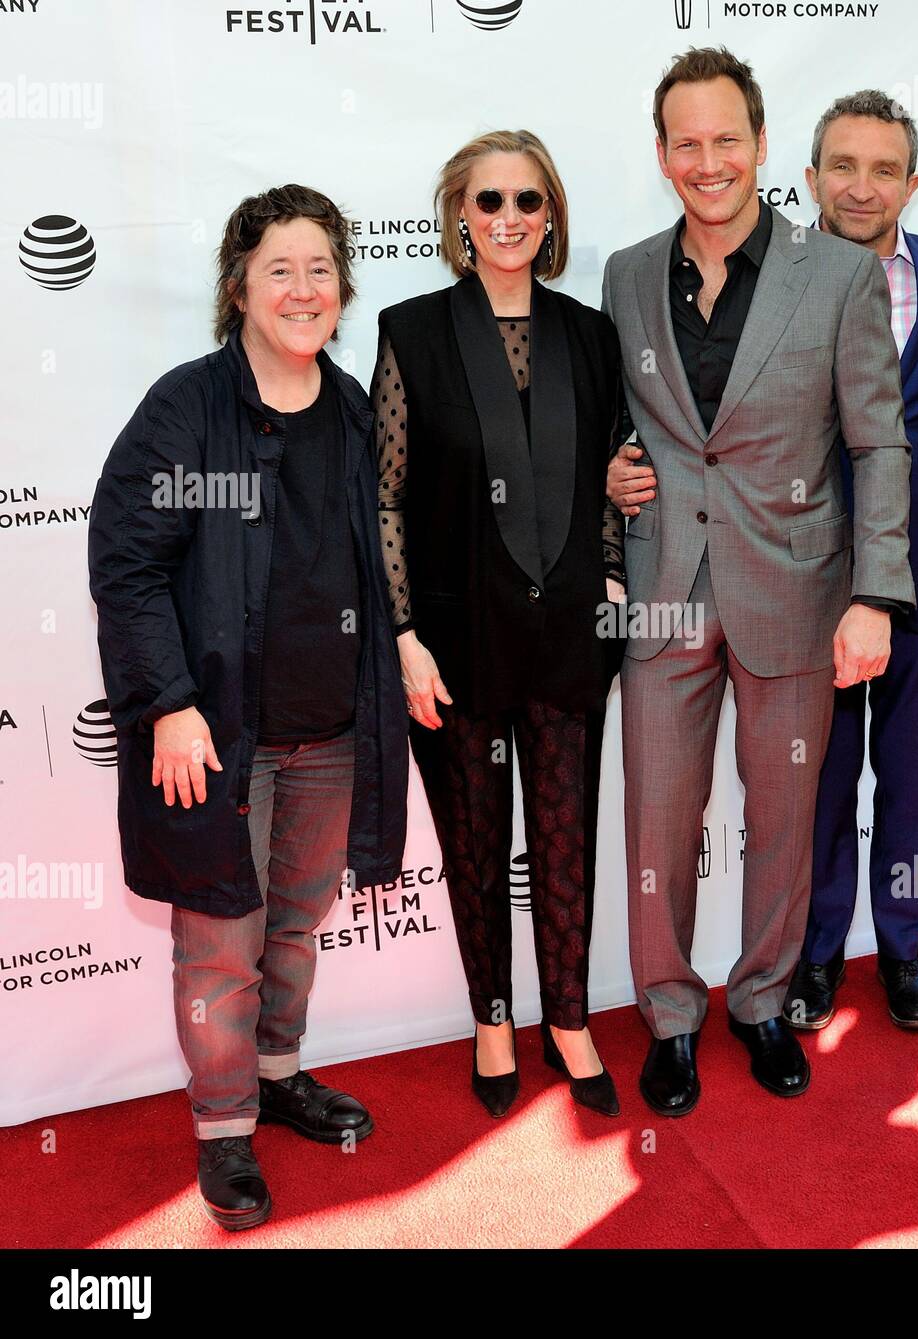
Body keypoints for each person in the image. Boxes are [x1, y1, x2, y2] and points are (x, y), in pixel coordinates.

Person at [88, 184, 409, 1231]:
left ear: (343, 288)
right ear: (239, 286)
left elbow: (386, 557)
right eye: (280, 268)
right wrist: (168, 705)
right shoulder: (187, 410)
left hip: (332, 733)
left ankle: (278, 1077)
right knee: (220, 942)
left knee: (299, 927)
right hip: (217, 740)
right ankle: (225, 1130)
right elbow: (128, 567)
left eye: (321, 269)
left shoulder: (358, 410)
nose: (303, 288)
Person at [603, 47, 913, 1116]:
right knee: (658, 820)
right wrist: (612, 468)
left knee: (785, 816)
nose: (707, 160)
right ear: (660, 155)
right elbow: (627, 421)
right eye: (684, 142)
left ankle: (764, 1000)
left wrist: (875, 592)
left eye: (725, 138)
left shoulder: (834, 274)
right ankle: (669, 1014)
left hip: (794, 586)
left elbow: (878, 444)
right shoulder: (626, 273)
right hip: (664, 590)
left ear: (762, 144)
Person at [375, 130, 626, 1119]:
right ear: (459, 217)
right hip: (455, 641)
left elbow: (612, 471)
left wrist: (609, 573)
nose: (510, 218)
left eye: (528, 200)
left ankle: (568, 1016)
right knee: (476, 847)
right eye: (490, 201)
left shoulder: (587, 334)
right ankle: (491, 1019)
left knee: (564, 842)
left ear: (551, 213)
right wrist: (401, 634)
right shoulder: (413, 332)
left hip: (567, 636)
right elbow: (385, 497)